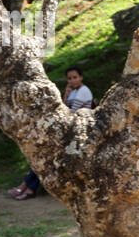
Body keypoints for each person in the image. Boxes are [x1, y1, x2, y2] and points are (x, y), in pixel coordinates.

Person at [5, 67, 93, 200]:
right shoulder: (74, 92)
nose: (72, 80)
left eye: (75, 77)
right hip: (69, 131)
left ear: (81, 77)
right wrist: (66, 95)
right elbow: (64, 108)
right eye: (69, 78)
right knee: (43, 156)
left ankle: (28, 187)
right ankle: (26, 186)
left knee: (46, 157)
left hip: (76, 133)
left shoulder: (84, 91)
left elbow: (72, 112)